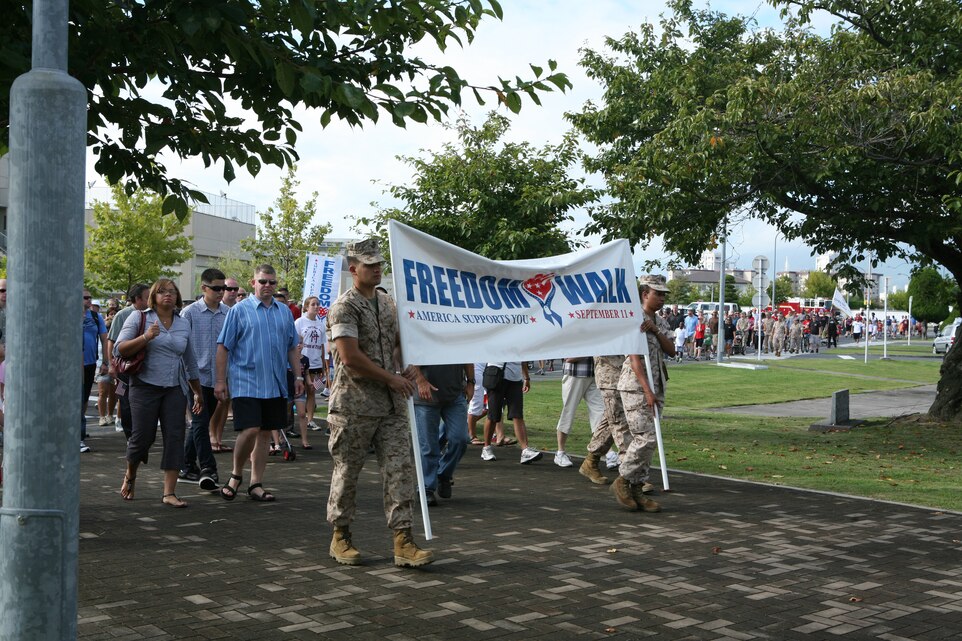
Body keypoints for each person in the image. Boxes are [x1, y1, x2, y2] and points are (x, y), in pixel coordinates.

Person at [325, 239, 433, 568]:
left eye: (378, 263)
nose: (376, 268)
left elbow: (399, 346)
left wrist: (413, 371)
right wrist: (391, 378)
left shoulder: (387, 303)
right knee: (348, 472)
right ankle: (341, 535)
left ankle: (403, 540)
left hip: (391, 405)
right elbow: (350, 356)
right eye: (368, 264)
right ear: (352, 268)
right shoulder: (344, 306)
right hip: (354, 404)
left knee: (400, 470)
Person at [215, 264, 303, 503]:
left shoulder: (284, 312)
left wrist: (297, 377)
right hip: (246, 381)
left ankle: (256, 483)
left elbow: (292, 347)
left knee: (265, 433)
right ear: (253, 283)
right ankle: (235, 475)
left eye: (271, 282)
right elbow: (223, 347)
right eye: (262, 281)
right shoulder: (239, 311)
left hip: (274, 383)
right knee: (250, 429)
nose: (267, 286)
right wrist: (221, 381)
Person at [115, 279, 203, 507]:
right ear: (153, 296)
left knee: (175, 437)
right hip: (144, 386)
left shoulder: (183, 323)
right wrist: (145, 337)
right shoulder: (140, 317)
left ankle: (169, 493)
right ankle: (130, 475)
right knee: (142, 438)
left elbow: (190, 360)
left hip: (174, 388)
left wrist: (197, 391)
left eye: (172, 292)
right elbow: (119, 348)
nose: (168, 296)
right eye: (162, 292)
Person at [612, 275, 675, 512]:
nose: (661, 298)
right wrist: (647, 391)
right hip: (636, 387)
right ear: (644, 293)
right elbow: (635, 360)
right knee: (645, 437)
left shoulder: (659, 321)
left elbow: (671, 350)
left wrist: (656, 330)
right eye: (657, 293)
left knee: (651, 441)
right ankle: (623, 480)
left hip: (657, 387)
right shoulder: (633, 319)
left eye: (663, 294)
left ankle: (637, 489)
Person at [179, 268, 229, 491]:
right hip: (194, 379)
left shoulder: (228, 313)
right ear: (204, 288)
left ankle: (186, 465)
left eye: (224, 288)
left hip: (216, 378)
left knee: (199, 424)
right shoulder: (189, 313)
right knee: (200, 422)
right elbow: (181, 346)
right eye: (216, 288)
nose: (221, 292)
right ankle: (208, 468)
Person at [412, 363, 473, 504]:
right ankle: (426, 488)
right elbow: (409, 355)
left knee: (461, 439)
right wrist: (420, 380)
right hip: (425, 396)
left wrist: (471, 382)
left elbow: (468, 355)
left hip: (455, 394)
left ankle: (444, 474)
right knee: (428, 446)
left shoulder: (458, 339)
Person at [106, 284, 150, 440]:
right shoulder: (123, 315)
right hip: (124, 369)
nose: (150, 300)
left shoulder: (152, 314)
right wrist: (112, 364)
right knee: (124, 399)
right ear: (137, 299)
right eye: (147, 297)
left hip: (143, 367)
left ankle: (139, 434)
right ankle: (130, 435)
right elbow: (111, 341)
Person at [480, 362, 542, 464]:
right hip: (497, 375)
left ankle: (525, 450)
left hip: (515, 379)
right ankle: (486, 448)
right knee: (493, 415)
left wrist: (526, 378)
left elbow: (523, 358)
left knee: (517, 414)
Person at [554, 357, 604, 468]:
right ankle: (560, 452)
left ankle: (607, 453)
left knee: (601, 415)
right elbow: (568, 358)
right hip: (574, 374)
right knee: (568, 412)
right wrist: (593, 350)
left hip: (594, 374)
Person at [294, 296, 330, 444]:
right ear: (306, 306)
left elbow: (322, 346)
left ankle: (310, 419)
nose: (316, 307)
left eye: (318, 304)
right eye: (313, 304)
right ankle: (297, 419)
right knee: (301, 390)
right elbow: (295, 342)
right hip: (303, 363)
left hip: (316, 363)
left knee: (313, 390)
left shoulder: (321, 325)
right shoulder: (300, 322)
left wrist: (323, 364)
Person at [81, 288, 109, 453]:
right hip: (73, 365)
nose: (88, 300)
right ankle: (78, 434)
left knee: (84, 398)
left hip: (90, 364)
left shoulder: (95, 317)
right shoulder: (68, 315)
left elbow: (105, 340)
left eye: (90, 297)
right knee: (76, 399)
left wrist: (105, 362)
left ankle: (80, 427)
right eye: (85, 297)